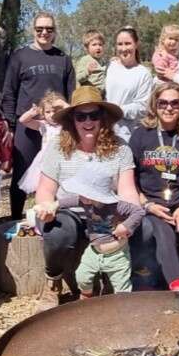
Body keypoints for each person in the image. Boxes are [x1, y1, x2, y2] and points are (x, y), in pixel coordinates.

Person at [33, 86, 141, 309]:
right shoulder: (57, 147)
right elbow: (45, 188)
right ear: (73, 119)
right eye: (81, 116)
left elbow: (128, 190)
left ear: (104, 118)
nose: (88, 121)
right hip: (69, 209)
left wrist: (126, 220)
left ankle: (134, 282)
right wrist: (46, 206)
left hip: (107, 212)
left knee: (145, 228)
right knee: (57, 232)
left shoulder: (120, 148)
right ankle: (53, 280)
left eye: (94, 115)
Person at [128, 81, 179, 292]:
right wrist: (147, 206)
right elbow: (130, 180)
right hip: (153, 201)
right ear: (155, 105)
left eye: (175, 103)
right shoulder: (140, 135)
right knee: (164, 234)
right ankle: (176, 285)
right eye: (163, 103)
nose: (169, 108)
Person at [3, 12, 75, 218]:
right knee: (22, 173)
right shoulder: (20, 56)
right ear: (33, 30)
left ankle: (55, 217)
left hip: (56, 128)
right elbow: (9, 91)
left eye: (49, 29)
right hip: (27, 126)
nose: (44, 33)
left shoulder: (63, 59)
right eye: (40, 29)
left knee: (58, 173)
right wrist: (10, 124)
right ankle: (16, 218)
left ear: (54, 32)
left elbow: (71, 93)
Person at [37, 175, 143, 299]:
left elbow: (139, 212)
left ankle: (125, 306)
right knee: (82, 276)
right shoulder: (85, 201)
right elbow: (66, 202)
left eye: (85, 193)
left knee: (121, 285)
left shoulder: (117, 205)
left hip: (117, 255)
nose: (81, 197)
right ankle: (86, 295)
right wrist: (53, 206)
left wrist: (126, 226)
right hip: (94, 251)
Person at [105, 27, 154, 143]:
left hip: (126, 135)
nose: (123, 48)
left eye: (128, 44)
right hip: (105, 130)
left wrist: (117, 110)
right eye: (119, 44)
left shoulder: (143, 73)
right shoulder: (111, 67)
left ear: (136, 44)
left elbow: (143, 107)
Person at [17, 91, 69, 195]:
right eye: (48, 112)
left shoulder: (67, 124)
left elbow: (75, 114)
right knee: (45, 187)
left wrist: (65, 105)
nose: (52, 115)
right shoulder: (44, 125)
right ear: (43, 113)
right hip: (46, 160)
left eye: (55, 111)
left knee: (63, 188)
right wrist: (32, 113)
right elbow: (23, 120)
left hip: (64, 159)